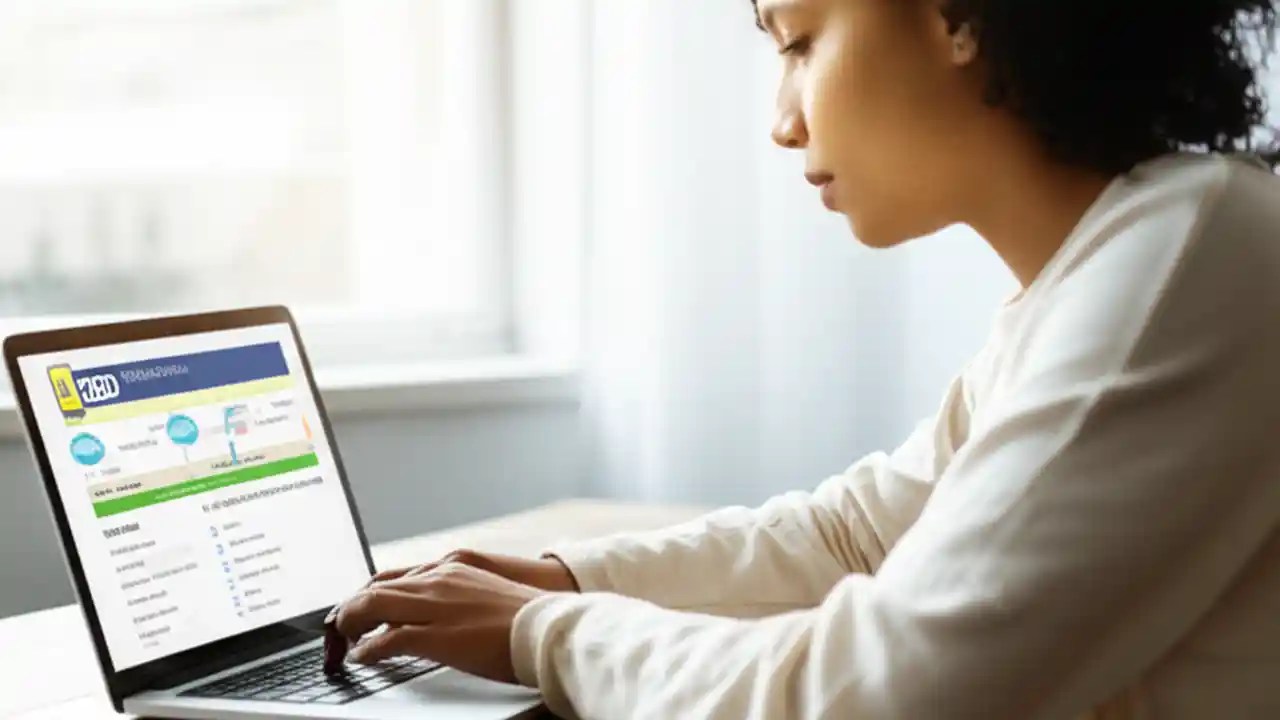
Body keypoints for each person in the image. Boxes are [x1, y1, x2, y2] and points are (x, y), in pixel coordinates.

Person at [328, 0, 1280, 717]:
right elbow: (860, 537)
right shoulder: (1123, 260)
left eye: (798, 43)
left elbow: (887, 691)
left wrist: (542, 633)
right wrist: (567, 579)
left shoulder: (1188, 255)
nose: (784, 121)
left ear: (959, 15)